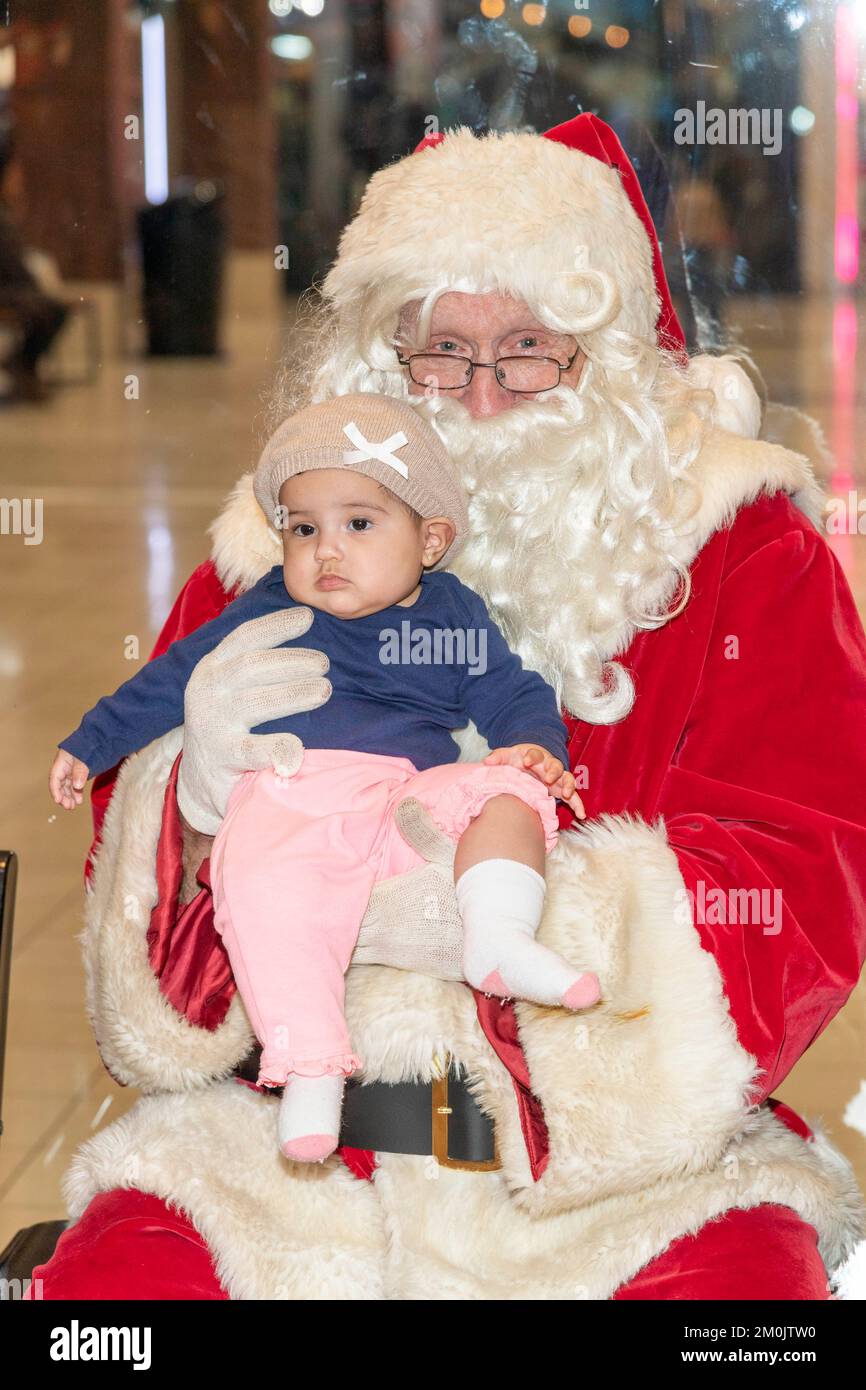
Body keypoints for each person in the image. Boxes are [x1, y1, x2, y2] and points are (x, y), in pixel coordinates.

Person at [29, 114, 866, 1301]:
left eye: (526, 347)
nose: (477, 399)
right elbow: (139, 938)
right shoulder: (284, 544)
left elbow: (805, 862)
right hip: (283, 1149)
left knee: (738, 1307)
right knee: (111, 1307)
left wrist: (522, 923)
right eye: (438, 353)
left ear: (609, 357)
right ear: (382, 363)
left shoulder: (745, 550)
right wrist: (196, 812)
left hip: (617, 1181)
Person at [49, 393, 596, 1163]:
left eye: (359, 524)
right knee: (261, 887)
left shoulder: (451, 615)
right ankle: (309, 1063)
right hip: (293, 791)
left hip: (406, 800)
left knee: (507, 794)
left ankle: (498, 934)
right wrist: (93, 740)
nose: (326, 551)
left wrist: (533, 747)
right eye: (303, 529)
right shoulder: (272, 607)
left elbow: (513, 693)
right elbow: (173, 677)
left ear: (431, 538)